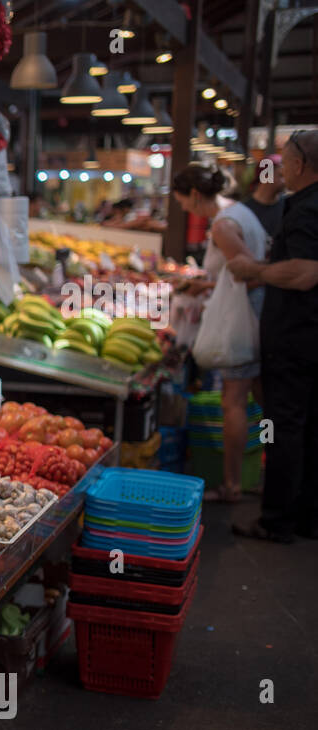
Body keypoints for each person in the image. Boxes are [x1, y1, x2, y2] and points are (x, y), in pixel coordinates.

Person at [226, 130, 318, 542]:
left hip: (297, 340)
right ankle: (305, 517)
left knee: (282, 427)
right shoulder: (302, 206)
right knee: (306, 426)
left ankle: (276, 519)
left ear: (299, 164)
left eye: (284, 161)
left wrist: (257, 272)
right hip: (306, 339)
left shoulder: (304, 211)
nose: (280, 168)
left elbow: (305, 272)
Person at [171, 163, 270, 503]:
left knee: (234, 402)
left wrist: (212, 287)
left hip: (243, 320)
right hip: (256, 315)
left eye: (183, 203)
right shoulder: (238, 212)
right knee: (261, 400)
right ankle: (265, 472)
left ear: (196, 195)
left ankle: (232, 484)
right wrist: (208, 284)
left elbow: (249, 272)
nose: (184, 209)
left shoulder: (223, 225)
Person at [241, 155, 286, 240]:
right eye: (281, 175)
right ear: (266, 176)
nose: (285, 180)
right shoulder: (244, 210)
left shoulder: (288, 206)